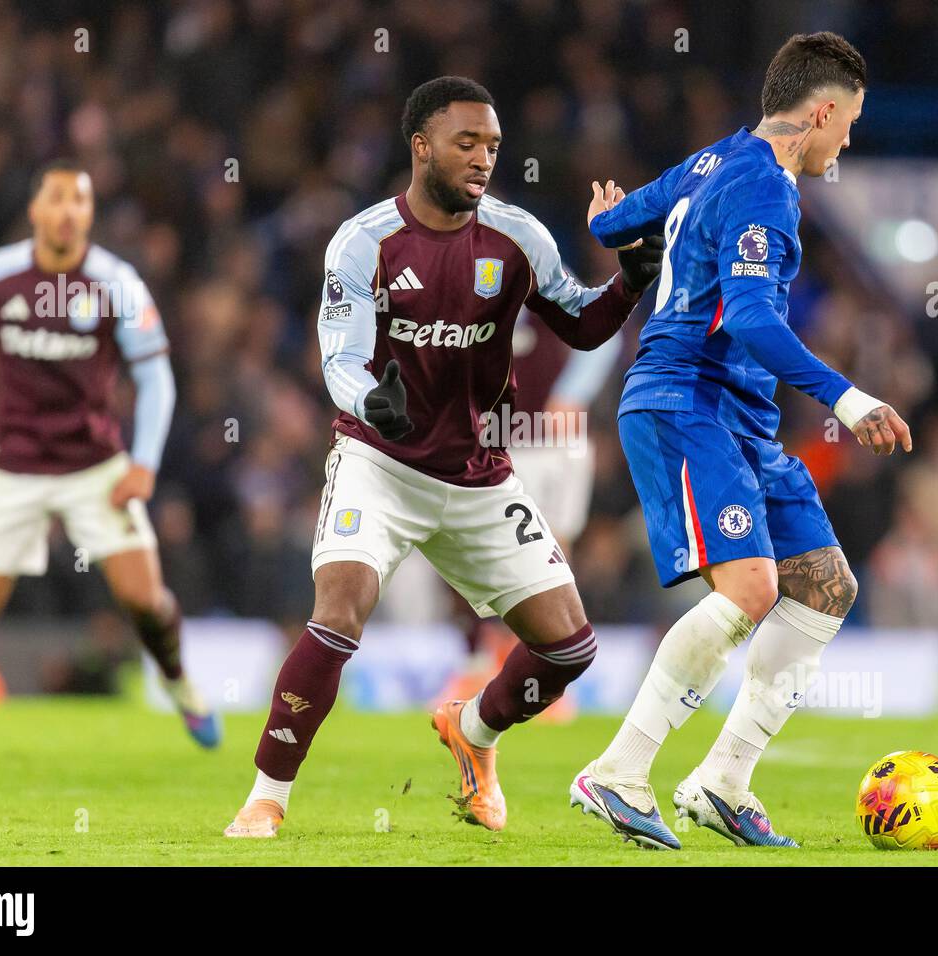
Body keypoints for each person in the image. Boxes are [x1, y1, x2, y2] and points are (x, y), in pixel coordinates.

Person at [224, 76, 662, 838]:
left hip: (479, 474)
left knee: (570, 647)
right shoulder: (363, 242)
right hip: (380, 464)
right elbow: (341, 359)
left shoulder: (518, 238)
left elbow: (582, 323)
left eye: (493, 145)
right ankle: (266, 797)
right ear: (421, 147)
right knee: (339, 612)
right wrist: (371, 402)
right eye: (467, 143)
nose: (484, 157)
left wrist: (629, 280)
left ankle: (473, 730)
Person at [570, 32, 912, 850]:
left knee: (824, 587)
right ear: (822, 111)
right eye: (849, 124)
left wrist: (605, 218)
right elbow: (754, 318)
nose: (847, 143)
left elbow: (622, 218)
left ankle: (722, 781)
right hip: (688, 402)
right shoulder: (764, 187)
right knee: (753, 589)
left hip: (741, 420)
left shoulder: (711, 161)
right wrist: (849, 398)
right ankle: (617, 772)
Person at [0, 160, 219, 760]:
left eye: (79, 200)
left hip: (94, 465)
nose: (68, 211)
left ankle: (180, 683)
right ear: (36, 209)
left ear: (89, 213)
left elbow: (155, 376)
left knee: (144, 598)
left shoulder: (116, 282)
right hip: (12, 464)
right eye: (57, 199)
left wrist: (143, 462)